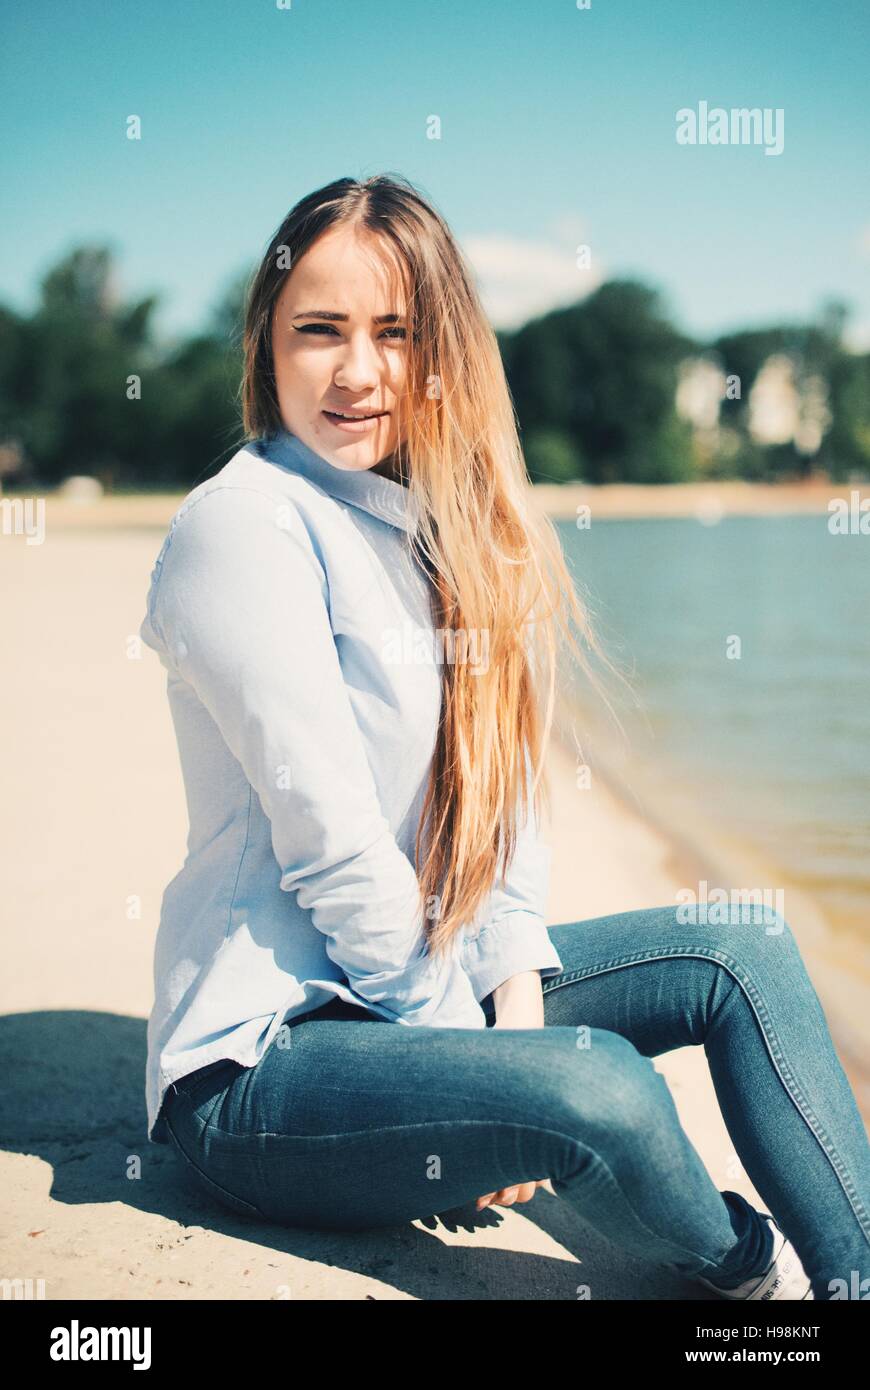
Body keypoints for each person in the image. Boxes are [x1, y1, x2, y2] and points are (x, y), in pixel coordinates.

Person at [140, 173, 870, 1300]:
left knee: (745, 949)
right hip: (265, 1069)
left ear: (442, 353)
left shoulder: (446, 528)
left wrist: (515, 997)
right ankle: (745, 1273)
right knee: (604, 1087)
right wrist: (476, 1052)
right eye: (318, 329)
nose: (357, 368)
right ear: (266, 342)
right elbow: (333, 844)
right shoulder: (242, 527)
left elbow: (500, 812)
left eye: (394, 331)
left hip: (413, 993)